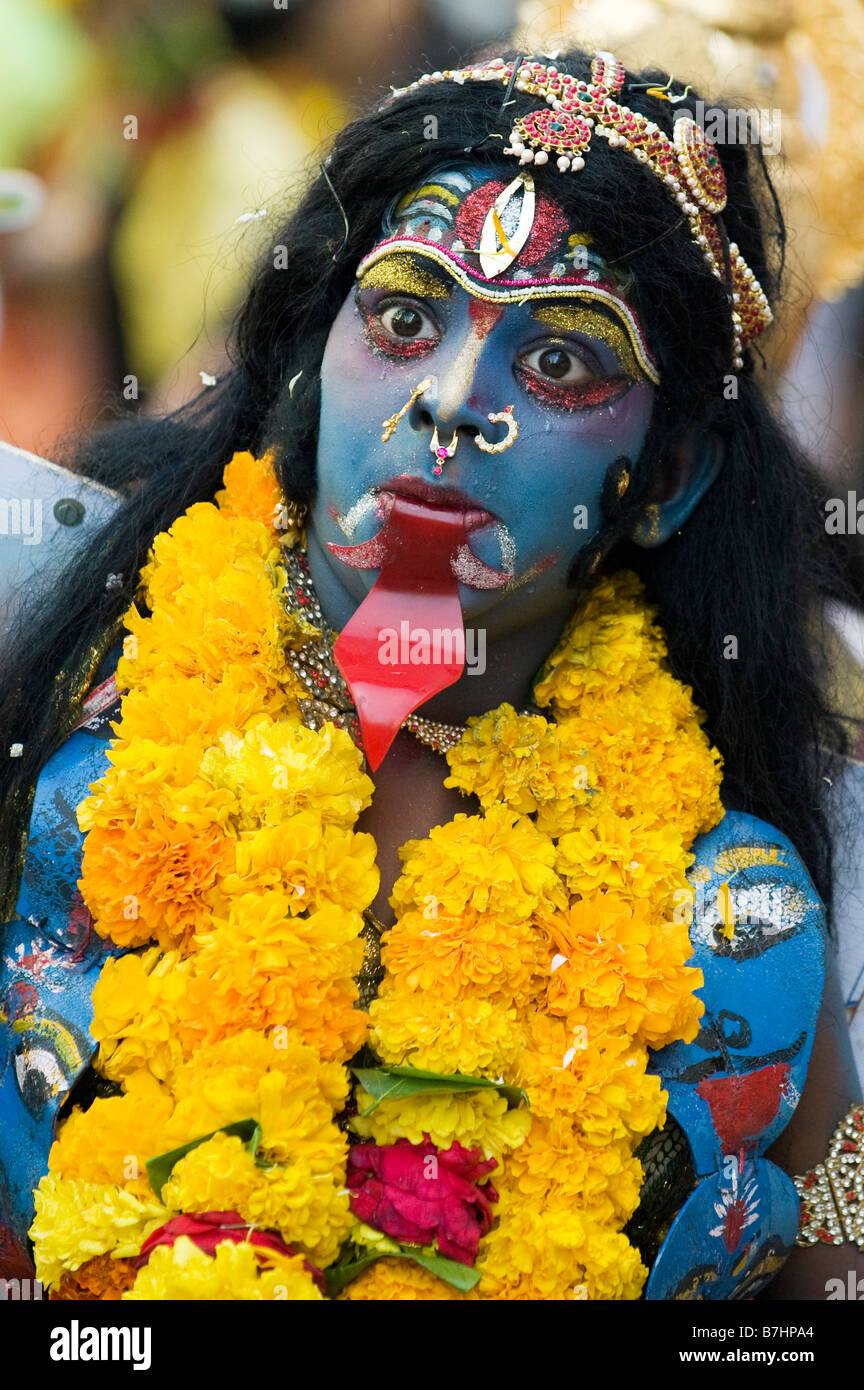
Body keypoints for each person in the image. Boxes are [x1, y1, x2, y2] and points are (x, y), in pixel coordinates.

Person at [1, 47, 861, 1301]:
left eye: (562, 360)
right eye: (406, 317)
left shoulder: (739, 921)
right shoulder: (64, 714)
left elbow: (836, 1255)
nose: (454, 403)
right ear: (307, 364)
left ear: (668, 479)